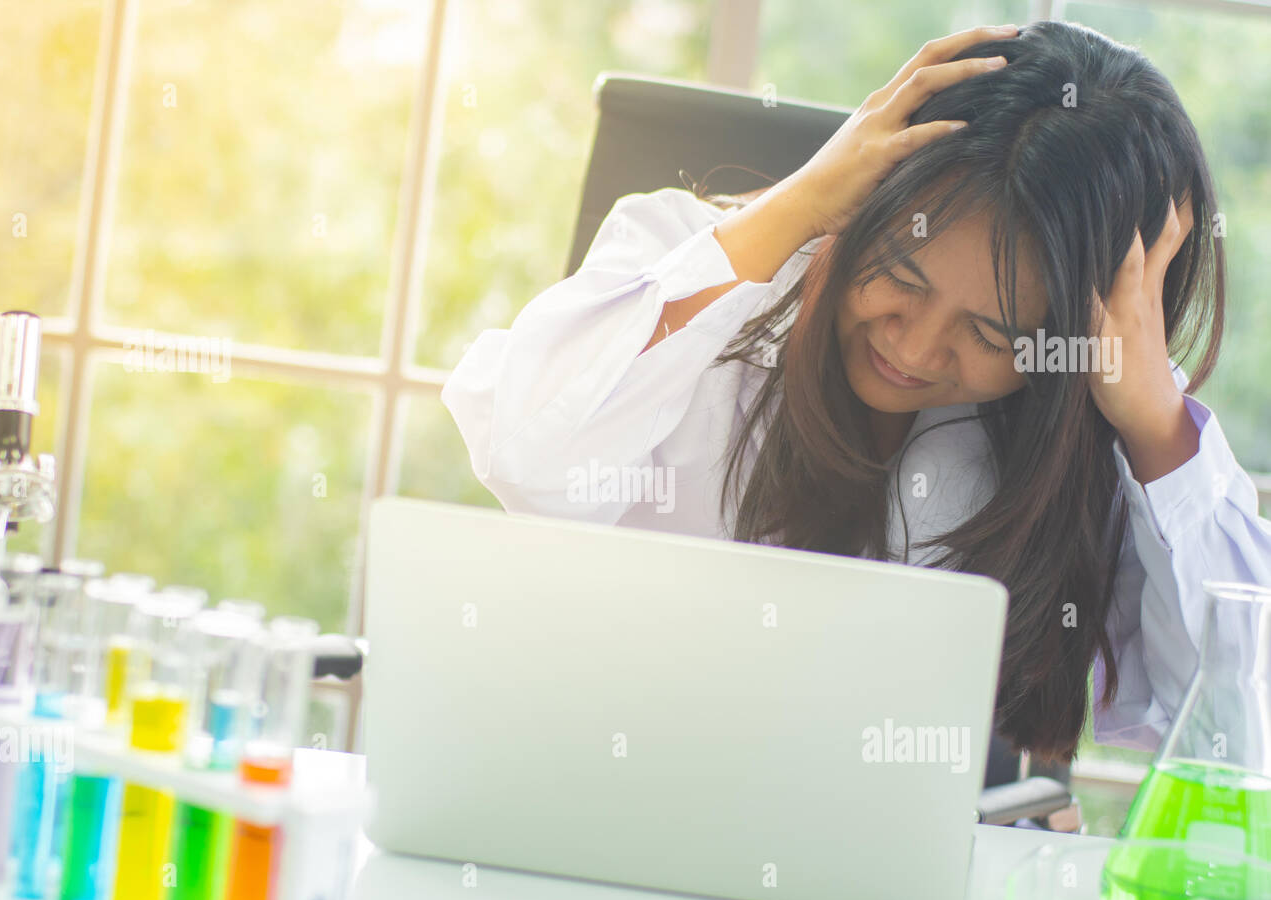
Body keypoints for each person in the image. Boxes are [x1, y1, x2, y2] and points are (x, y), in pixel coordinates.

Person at [442, 21, 1271, 773]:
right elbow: (527, 453)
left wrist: (1157, 427)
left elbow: (1239, 728)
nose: (913, 348)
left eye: (992, 335)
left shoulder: (1077, 449)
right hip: (589, 792)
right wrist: (796, 205)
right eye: (897, 278)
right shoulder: (677, 255)